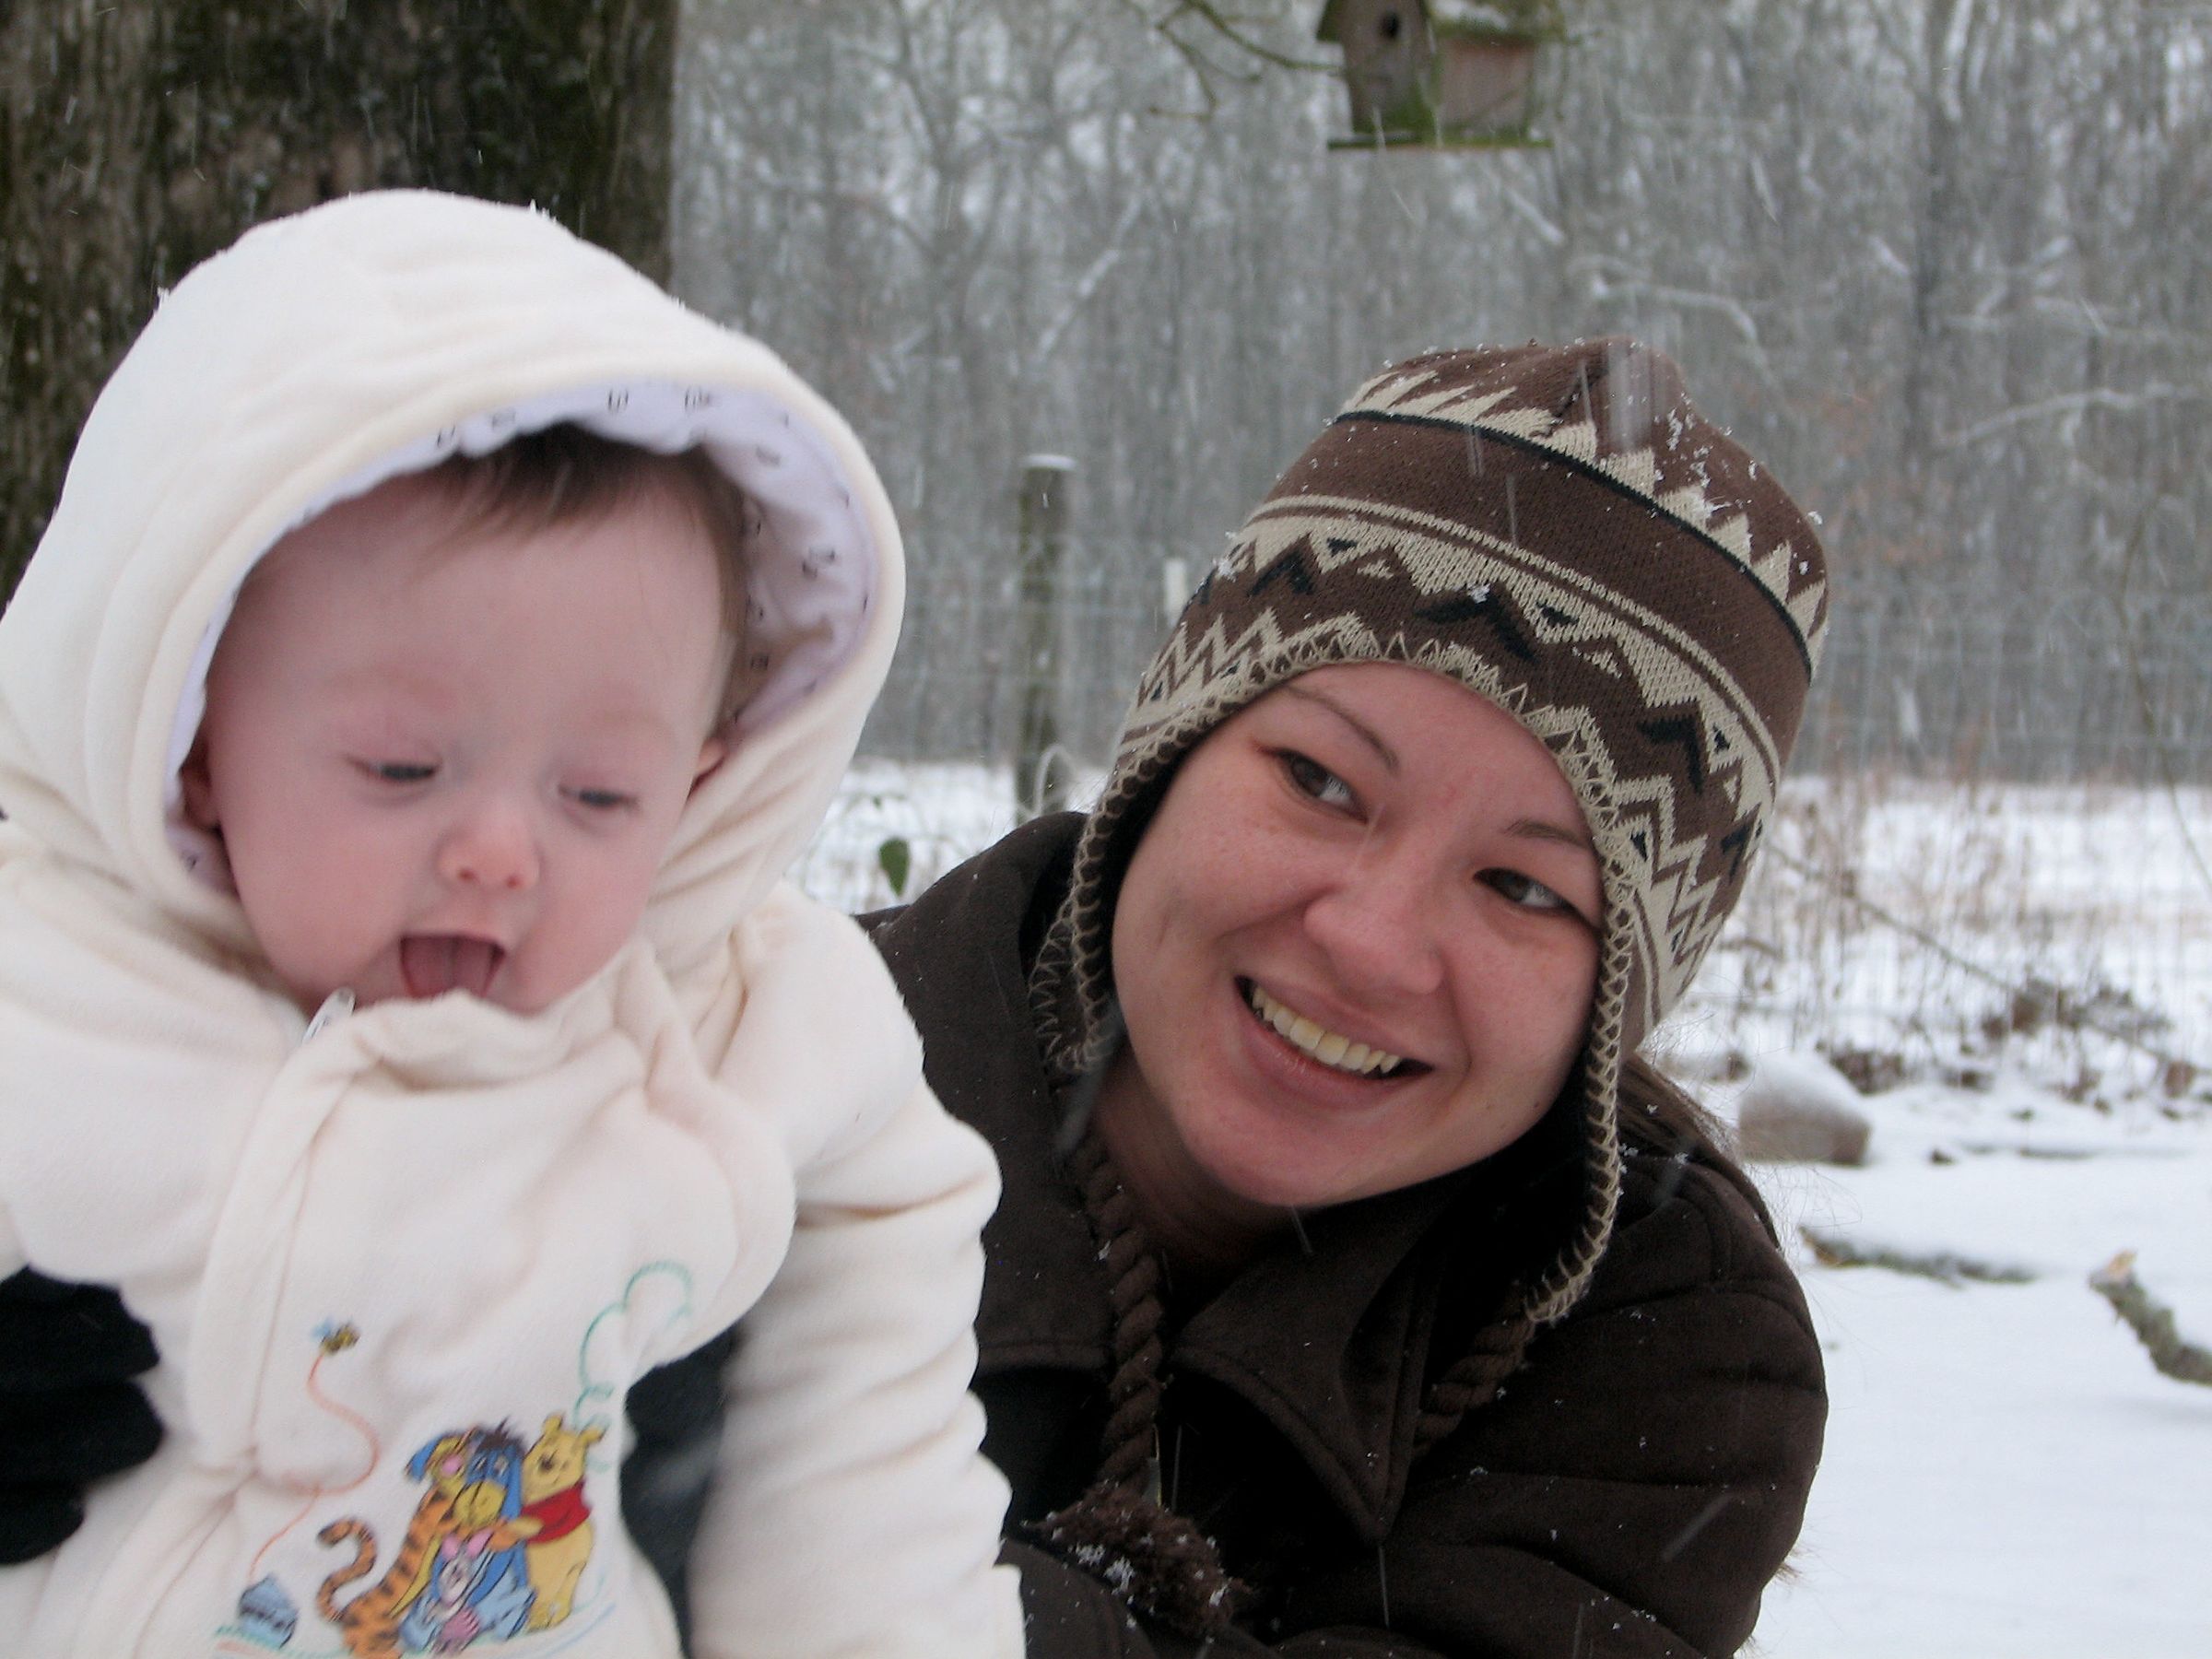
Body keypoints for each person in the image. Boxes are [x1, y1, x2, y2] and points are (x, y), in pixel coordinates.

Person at [4, 336, 1829, 1656]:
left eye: (1525, 887)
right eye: (1322, 783)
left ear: (1625, 983)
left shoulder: (1668, 1351)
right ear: (1174, 760)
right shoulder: (707, 1073)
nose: (1368, 933)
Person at [0, 191, 1019, 1658]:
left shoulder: (746, 1036)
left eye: (599, 794)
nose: (496, 853)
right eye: (402, 770)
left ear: (697, 783)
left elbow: (869, 1488)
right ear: (193, 736)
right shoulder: (39, 979)